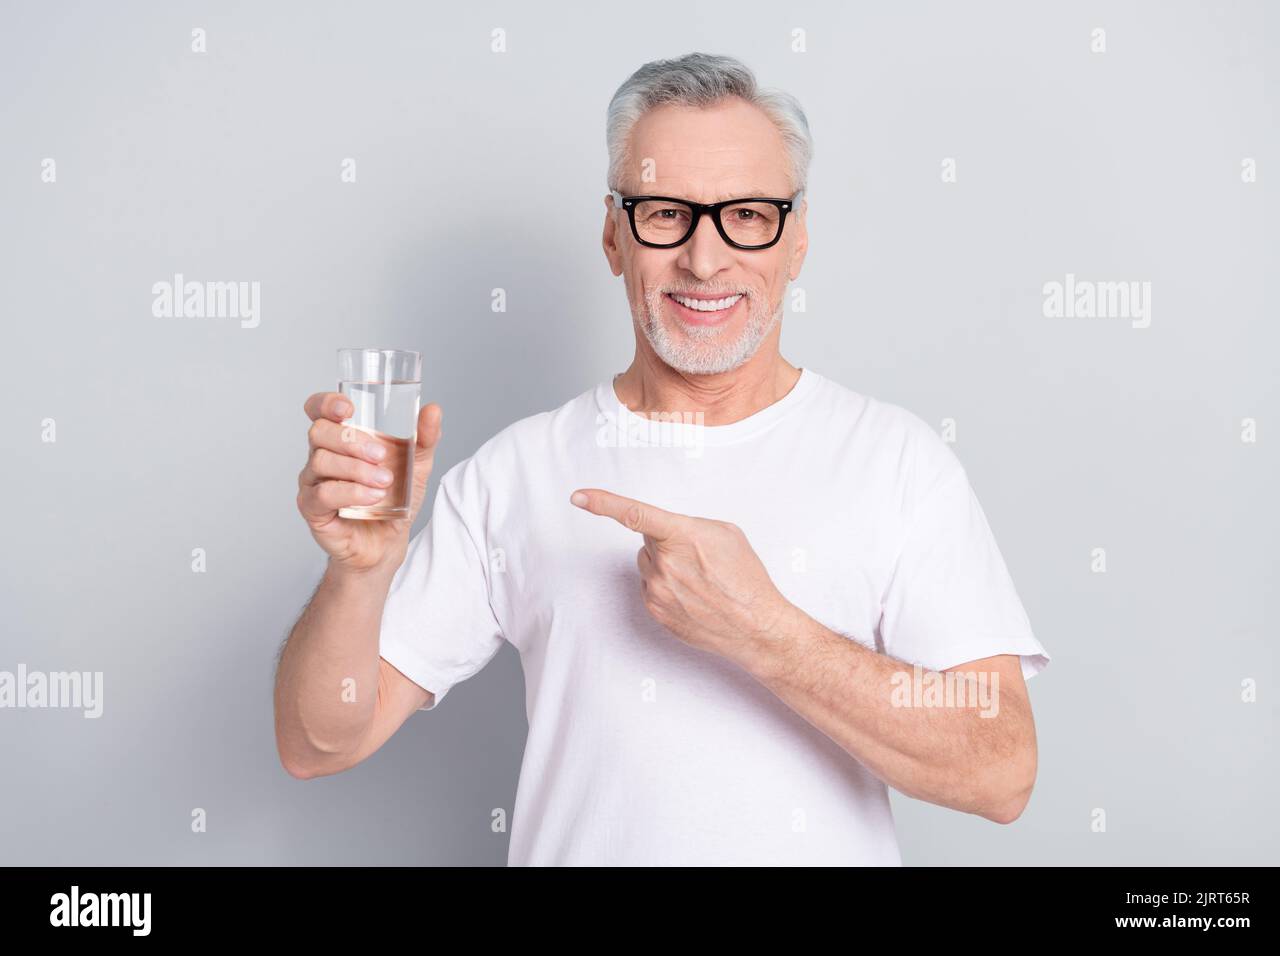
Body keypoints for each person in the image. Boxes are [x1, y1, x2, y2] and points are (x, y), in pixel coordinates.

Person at [274, 52, 1050, 866]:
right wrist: (358, 575)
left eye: (747, 215)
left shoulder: (899, 465)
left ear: (797, 240)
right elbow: (318, 742)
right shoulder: (515, 475)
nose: (704, 259)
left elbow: (1001, 771)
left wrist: (768, 635)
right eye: (665, 214)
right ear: (615, 236)